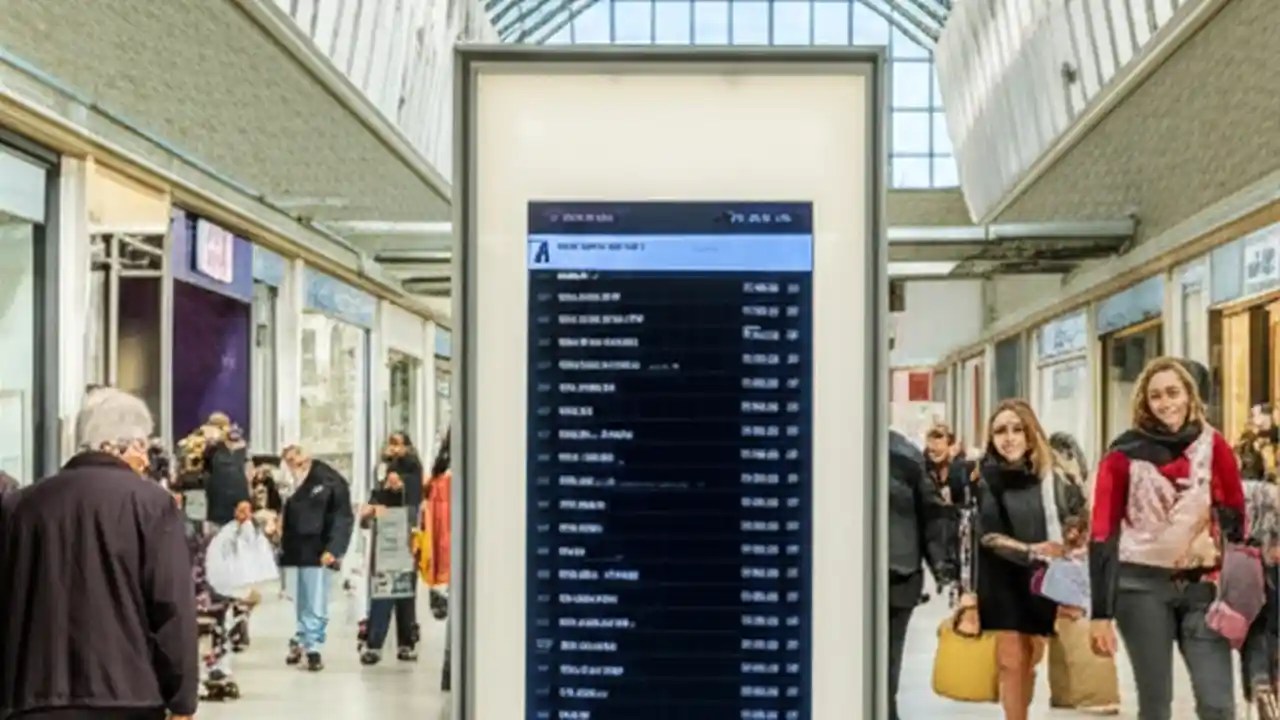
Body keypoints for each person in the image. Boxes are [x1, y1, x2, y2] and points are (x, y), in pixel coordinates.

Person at [0, 387, 198, 720]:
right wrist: (182, 699)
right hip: (127, 696)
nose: (146, 460)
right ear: (118, 445)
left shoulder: (21, 507)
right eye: (142, 446)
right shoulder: (151, 505)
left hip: (32, 698)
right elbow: (171, 605)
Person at [1089, 356, 1245, 720]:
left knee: (1218, 704)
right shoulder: (1121, 454)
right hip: (1138, 587)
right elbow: (1102, 534)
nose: (1166, 403)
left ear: (1190, 396)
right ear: (1145, 402)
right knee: (1156, 705)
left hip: (1201, 589)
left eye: (1173, 392)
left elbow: (1236, 513)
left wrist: (1218, 537)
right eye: (1155, 396)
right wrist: (1100, 613)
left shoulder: (1213, 445)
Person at [974, 398, 1087, 720]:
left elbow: (1077, 518)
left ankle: (1022, 700)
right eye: (1000, 431)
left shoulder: (1055, 475)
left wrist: (1074, 542)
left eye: (1016, 429)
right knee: (1011, 659)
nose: (1008, 438)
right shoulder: (986, 478)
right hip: (1003, 576)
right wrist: (1033, 549)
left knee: (1033, 653)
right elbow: (987, 535)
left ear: (1030, 433)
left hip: (1048, 575)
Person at [888, 428, 955, 720]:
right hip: (856, 577)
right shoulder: (906, 453)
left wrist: (943, 568)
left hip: (897, 576)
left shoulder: (905, 455)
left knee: (885, 668)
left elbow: (931, 515)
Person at [280, 444, 355, 672]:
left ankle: (313, 644)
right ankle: (303, 638)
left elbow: (342, 517)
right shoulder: (289, 483)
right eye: (290, 462)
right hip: (295, 547)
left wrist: (334, 548)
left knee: (315, 596)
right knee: (300, 596)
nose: (294, 466)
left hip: (318, 547)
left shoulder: (330, 481)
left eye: (297, 460)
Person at [359, 463, 420, 665]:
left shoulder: (412, 499)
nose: (393, 482)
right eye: (390, 478)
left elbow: (419, 523)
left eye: (397, 478)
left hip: (406, 556)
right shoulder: (378, 497)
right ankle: (374, 645)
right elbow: (365, 522)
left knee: (406, 602)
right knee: (381, 601)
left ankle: (406, 644)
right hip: (384, 557)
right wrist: (369, 513)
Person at [203, 413, 250, 526]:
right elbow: (205, 468)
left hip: (238, 500)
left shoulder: (242, 447)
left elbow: (248, 472)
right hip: (217, 501)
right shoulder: (211, 448)